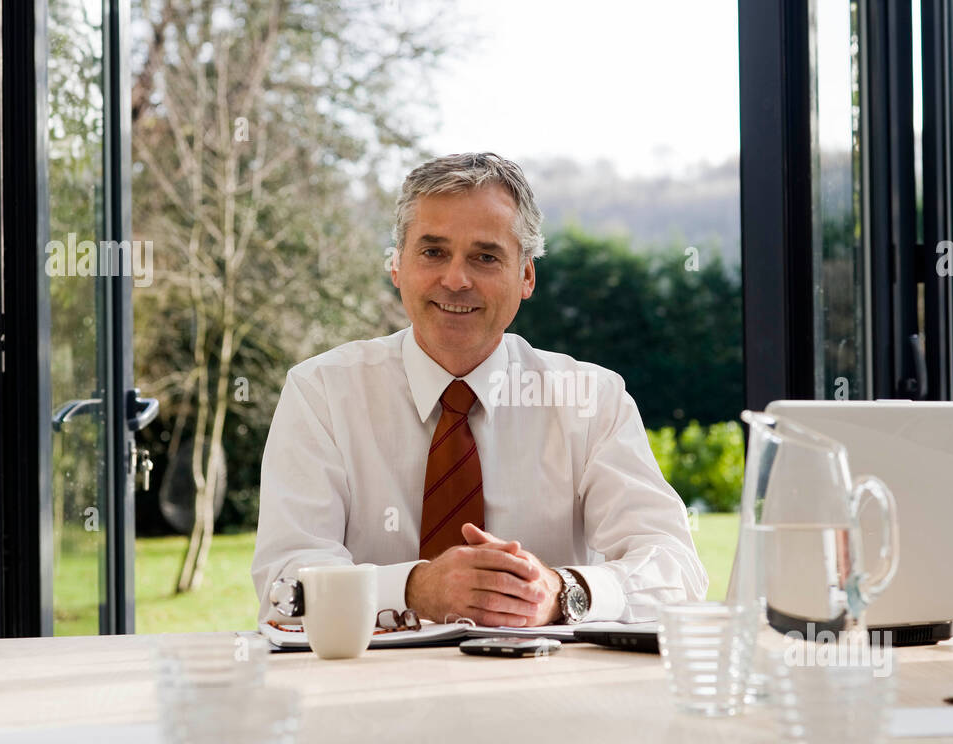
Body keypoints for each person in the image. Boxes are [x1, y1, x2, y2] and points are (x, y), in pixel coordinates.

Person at [251, 152, 707, 628]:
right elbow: (285, 589)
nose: (455, 279)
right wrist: (414, 589)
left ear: (526, 275)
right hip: (366, 690)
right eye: (432, 252)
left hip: (545, 689)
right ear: (396, 266)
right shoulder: (320, 392)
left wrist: (564, 591)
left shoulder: (591, 400)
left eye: (485, 257)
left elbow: (677, 569)